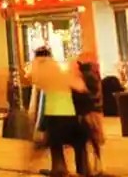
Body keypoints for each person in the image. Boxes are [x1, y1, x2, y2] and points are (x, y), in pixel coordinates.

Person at [27, 46, 87, 177]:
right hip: (69, 113)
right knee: (76, 142)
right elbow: (80, 86)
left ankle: (59, 169)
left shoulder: (41, 68)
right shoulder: (58, 70)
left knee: (55, 144)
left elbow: (34, 80)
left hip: (53, 113)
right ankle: (82, 170)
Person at [74, 51, 105, 176]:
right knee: (95, 140)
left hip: (88, 111)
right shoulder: (93, 75)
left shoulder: (85, 77)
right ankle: (97, 165)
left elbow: (89, 94)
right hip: (94, 110)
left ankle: (94, 167)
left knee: (90, 139)